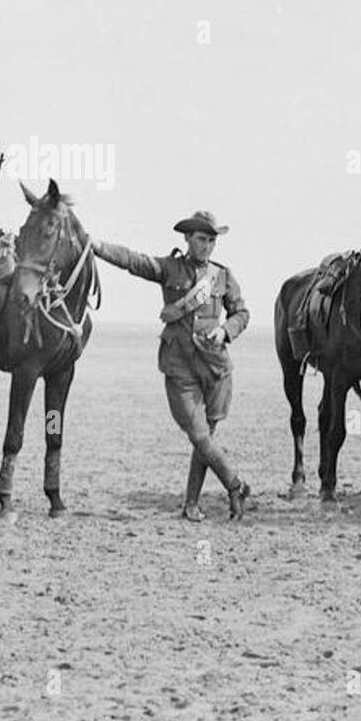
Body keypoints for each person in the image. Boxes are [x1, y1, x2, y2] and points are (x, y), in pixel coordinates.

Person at [91, 210, 251, 521]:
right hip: (179, 365)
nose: (207, 246)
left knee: (205, 437)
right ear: (188, 239)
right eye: (202, 239)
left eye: (211, 241)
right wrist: (97, 246)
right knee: (198, 434)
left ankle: (191, 504)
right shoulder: (170, 267)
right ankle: (234, 484)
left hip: (215, 366)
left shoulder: (223, 276)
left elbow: (242, 313)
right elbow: (132, 260)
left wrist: (225, 330)